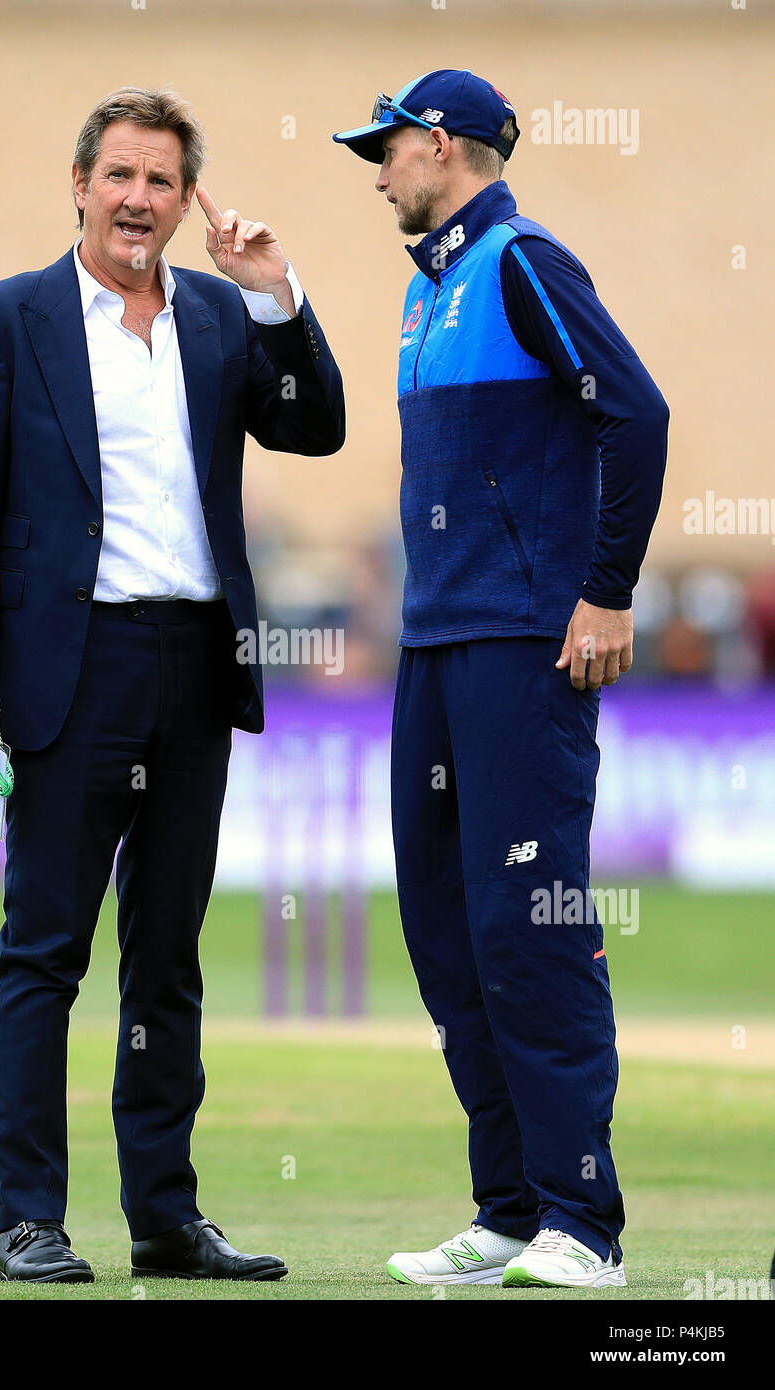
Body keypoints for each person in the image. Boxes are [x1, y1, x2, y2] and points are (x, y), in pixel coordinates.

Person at [0, 86, 345, 1283]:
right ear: (78, 184)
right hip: (67, 672)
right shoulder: (6, 322)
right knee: (44, 950)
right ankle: (29, 1220)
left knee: (167, 956)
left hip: (193, 667)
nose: (139, 200)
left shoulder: (220, 317)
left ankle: (165, 1216)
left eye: (161, 180)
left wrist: (277, 295)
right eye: (120, 175)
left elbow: (314, 428)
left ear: (182, 199)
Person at [334, 69, 668, 1289]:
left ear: (441, 146)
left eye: (388, 150)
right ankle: (512, 1209)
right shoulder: (426, 296)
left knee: (531, 929)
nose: (378, 173)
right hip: (436, 647)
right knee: (445, 930)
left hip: (527, 644)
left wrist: (609, 591)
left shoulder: (525, 261)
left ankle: (587, 1224)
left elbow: (639, 414)